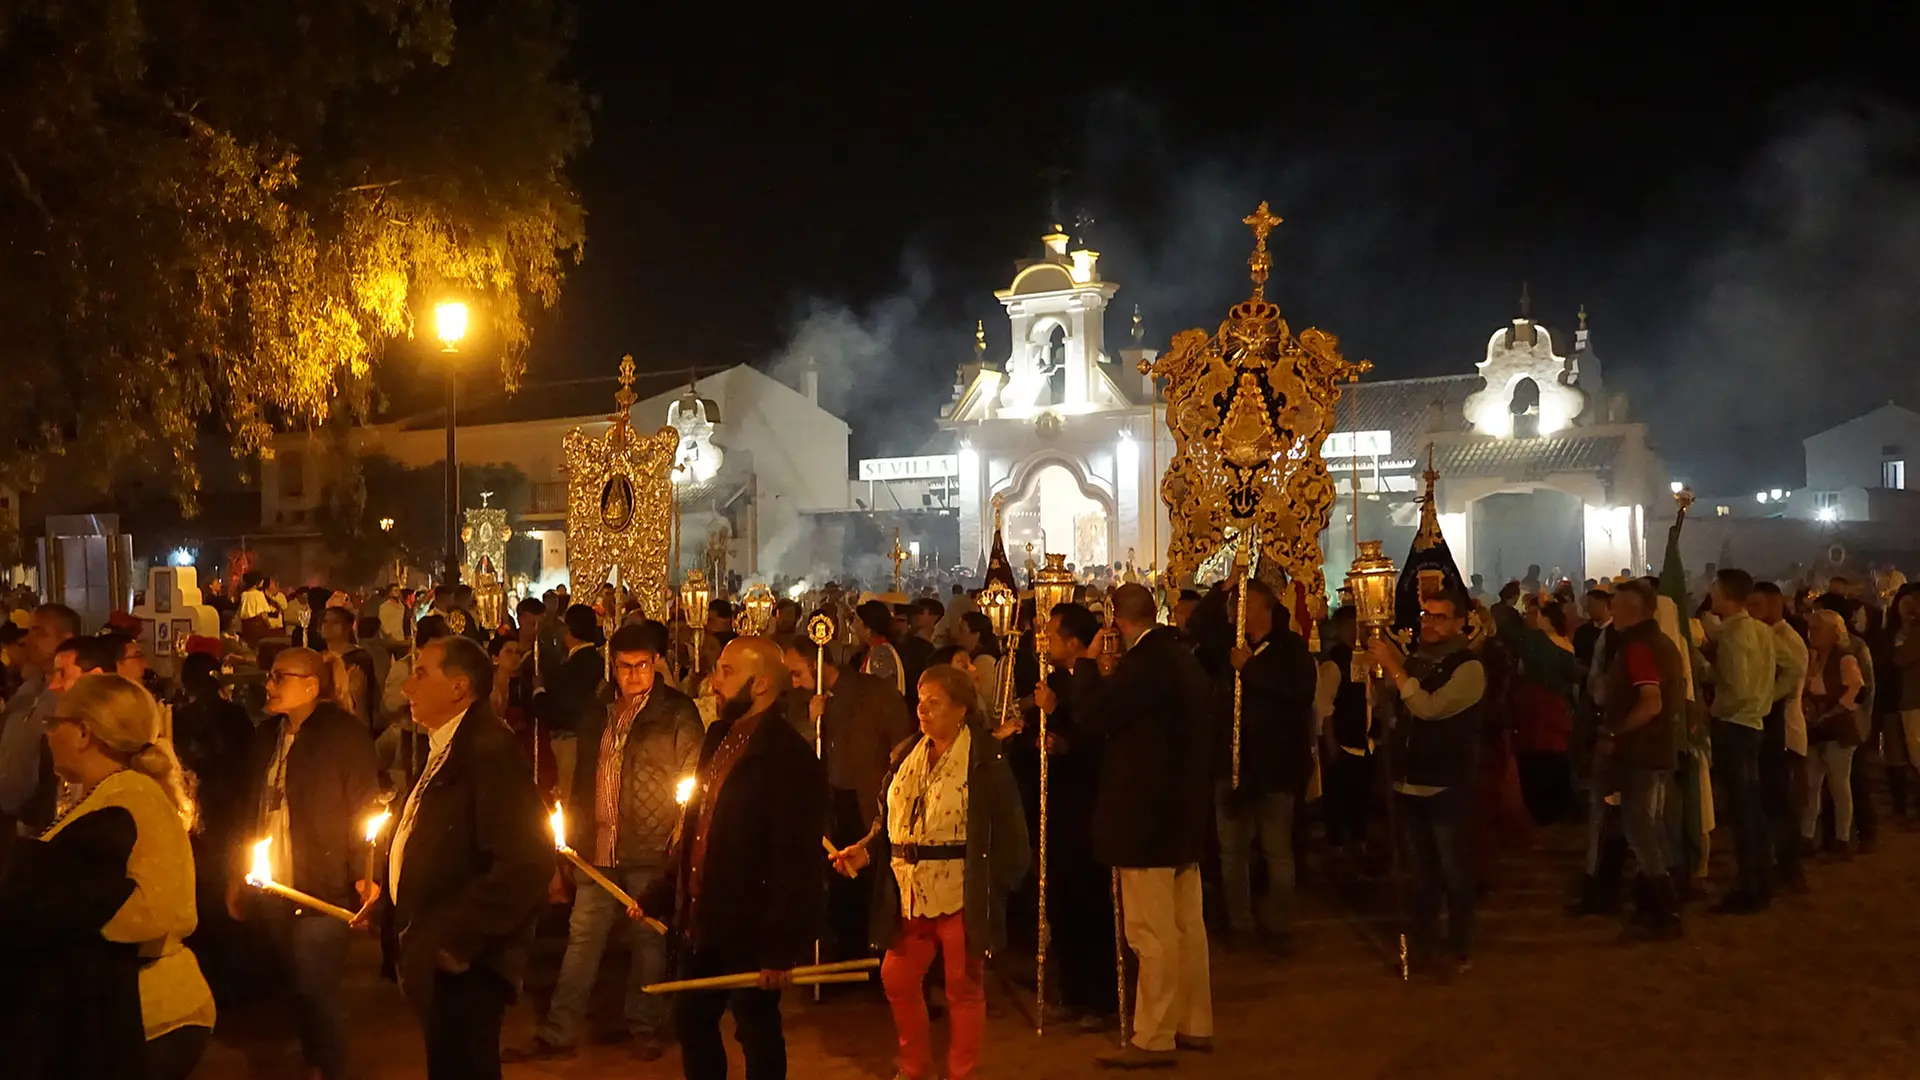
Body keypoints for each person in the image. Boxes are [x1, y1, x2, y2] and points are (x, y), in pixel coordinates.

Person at [508, 623, 703, 1064]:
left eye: (642, 665)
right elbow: (583, 777)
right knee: (582, 938)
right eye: (624, 667)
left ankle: (645, 1026)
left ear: (656, 664)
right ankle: (560, 1030)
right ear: (612, 668)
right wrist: (574, 835)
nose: (634, 675)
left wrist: (679, 836)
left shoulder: (677, 712)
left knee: (648, 941)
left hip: (651, 845)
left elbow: (693, 776)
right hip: (599, 844)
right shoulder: (598, 710)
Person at [635, 637, 828, 1080]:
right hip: (702, 917)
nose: (713, 682)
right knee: (692, 1019)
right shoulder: (719, 737)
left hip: (750, 925)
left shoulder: (789, 758)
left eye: (725, 672)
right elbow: (697, 827)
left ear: (760, 684)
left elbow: (794, 861)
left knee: (756, 1030)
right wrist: (663, 894)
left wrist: (779, 948)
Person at [361, 635, 551, 1080]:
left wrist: (458, 939)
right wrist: (393, 902)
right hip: (439, 946)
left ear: (458, 687)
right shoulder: (449, 745)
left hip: (469, 964)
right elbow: (433, 839)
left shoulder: (488, 751)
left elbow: (525, 860)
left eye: (421, 674)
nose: (407, 688)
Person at [829, 665, 1030, 1080]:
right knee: (897, 977)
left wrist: (997, 888)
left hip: (962, 889)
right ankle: (915, 1066)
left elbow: (1011, 833)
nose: (922, 710)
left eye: (933, 703)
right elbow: (888, 822)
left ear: (960, 709)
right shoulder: (906, 756)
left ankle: (961, 1071)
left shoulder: (985, 761)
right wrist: (864, 852)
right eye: (920, 701)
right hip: (910, 891)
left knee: (963, 986)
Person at [230, 646, 383, 1080]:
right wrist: (236, 876)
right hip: (276, 882)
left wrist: (363, 875)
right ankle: (315, 1057)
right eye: (270, 676)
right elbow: (249, 810)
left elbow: (362, 806)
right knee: (295, 983)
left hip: (324, 884)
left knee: (315, 983)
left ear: (312, 686)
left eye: (280, 676)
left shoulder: (344, 736)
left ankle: (329, 1065)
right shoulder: (267, 736)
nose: (269, 684)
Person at [57, 673, 215, 1079]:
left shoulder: (131, 798)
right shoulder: (114, 793)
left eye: (53, 723)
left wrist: (64, 917)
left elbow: (160, 910)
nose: (48, 734)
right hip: (134, 1013)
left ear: (82, 733)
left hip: (151, 1016)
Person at [1082, 583, 1213, 1069]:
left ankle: (1154, 1035)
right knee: (1185, 927)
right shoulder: (1182, 658)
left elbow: (1095, 718)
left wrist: (1086, 669)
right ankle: (1194, 1021)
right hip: (1181, 815)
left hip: (1145, 820)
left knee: (1150, 932)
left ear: (1115, 619)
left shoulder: (1148, 665)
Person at [1368, 590, 1484, 978]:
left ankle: (1459, 946)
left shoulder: (1468, 669)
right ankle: (1425, 942)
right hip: (1410, 783)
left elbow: (1430, 707)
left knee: (1453, 872)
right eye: (1426, 615)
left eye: (1439, 617)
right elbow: (1400, 703)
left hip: (1445, 784)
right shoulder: (1417, 660)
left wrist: (1395, 670)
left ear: (1458, 624)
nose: (1429, 623)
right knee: (1420, 875)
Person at [782, 638, 913, 967]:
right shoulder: (802, 701)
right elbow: (790, 749)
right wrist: (811, 724)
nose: (794, 682)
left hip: (870, 804)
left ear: (816, 664)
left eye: (798, 673)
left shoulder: (876, 694)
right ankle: (843, 954)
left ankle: (877, 959)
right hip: (829, 805)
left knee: (872, 886)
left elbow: (904, 748)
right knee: (836, 886)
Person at [1209, 578, 1316, 953]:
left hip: (1274, 768)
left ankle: (1279, 925)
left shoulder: (1290, 650)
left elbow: (1299, 693)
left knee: (1276, 850)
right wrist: (1222, 588)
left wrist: (1250, 669)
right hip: (1232, 767)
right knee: (1232, 852)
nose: (1235, 611)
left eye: (1243, 604)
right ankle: (1240, 922)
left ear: (1262, 608)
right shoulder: (1227, 647)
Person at [1029, 601, 1117, 1029]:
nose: (1044, 641)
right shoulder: (1051, 681)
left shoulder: (1093, 683)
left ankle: (1098, 999)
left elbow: (1090, 736)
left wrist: (1053, 716)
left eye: (1051, 635)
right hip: (1058, 807)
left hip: (1086, 808)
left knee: (1088, 903)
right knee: (1060, 902)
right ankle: (1071, 990)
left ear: (1074, 643)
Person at [1591, 580, 1684, 939]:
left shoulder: (1639, 649)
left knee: (1641, 832)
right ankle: (1652, 907)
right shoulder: (1663, 646)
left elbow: (1651, 702)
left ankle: (1665, 913)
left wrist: (1615, 733)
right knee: (1651, 829)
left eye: (1616, 605)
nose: (1611, 611)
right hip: (1657, 751)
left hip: (1639, 754)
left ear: (1633, 610)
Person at [1703, 568, 1776, 914]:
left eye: (1714, 589)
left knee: (1742, 809)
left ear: (1727, 594)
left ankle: (1750, 886)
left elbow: (1738, 687)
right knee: (1752, 807)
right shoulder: (1761, 630)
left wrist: (1716, 708)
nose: (1710, 594)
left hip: (1735, 725)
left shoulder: (1734, 635)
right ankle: (1762, 877)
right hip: (1755, 723)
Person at [0, 603, 79, 836]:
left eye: (40, 632)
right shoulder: (29, 689)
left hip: (40, 823)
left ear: (66, 639)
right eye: (31, 631)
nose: (29, 640)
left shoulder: (70, 698)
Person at [1749, 582, 1809, 892]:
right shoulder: (1768, 636)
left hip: (1785, 732)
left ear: (1777, 605)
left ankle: (1790, 869)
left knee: (1782, 806)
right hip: (1771, 731)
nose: (1751, 613)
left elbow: (1793, 678)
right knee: (1771, 804)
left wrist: (1760, 699)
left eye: (1757, 606)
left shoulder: (1786, 639)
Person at [1802, 608, 1867, 853]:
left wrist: (1830, 712)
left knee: (1839, 786)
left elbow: (1857, 691)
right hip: (1818, 726)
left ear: (1833, 632)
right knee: (1812, 786)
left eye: (1817, 628)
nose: (1812, 633)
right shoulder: (1812, 657)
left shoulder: (1844, 658)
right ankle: (1807, 836)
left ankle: (1842, 838)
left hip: (1838, 729)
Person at [1317, 606, 1375, 859]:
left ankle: (1359, 842)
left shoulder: (1368, 659)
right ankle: (1338, 848)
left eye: (1360, 628)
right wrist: (1331, 744)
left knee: (1361, 798)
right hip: (1344, 743)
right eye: (1352, 628)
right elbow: (1325, 706)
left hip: (1367, 741)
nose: (1357, 633)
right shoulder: (1334, 663)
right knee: (1340, 799)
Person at [538, 604, 606, 809]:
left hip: (571, 742)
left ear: (567, 631)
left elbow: (557, 712)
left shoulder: (570, 669)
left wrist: (538, 692)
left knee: (567, 801)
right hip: (595, 740)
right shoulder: (599, 661)